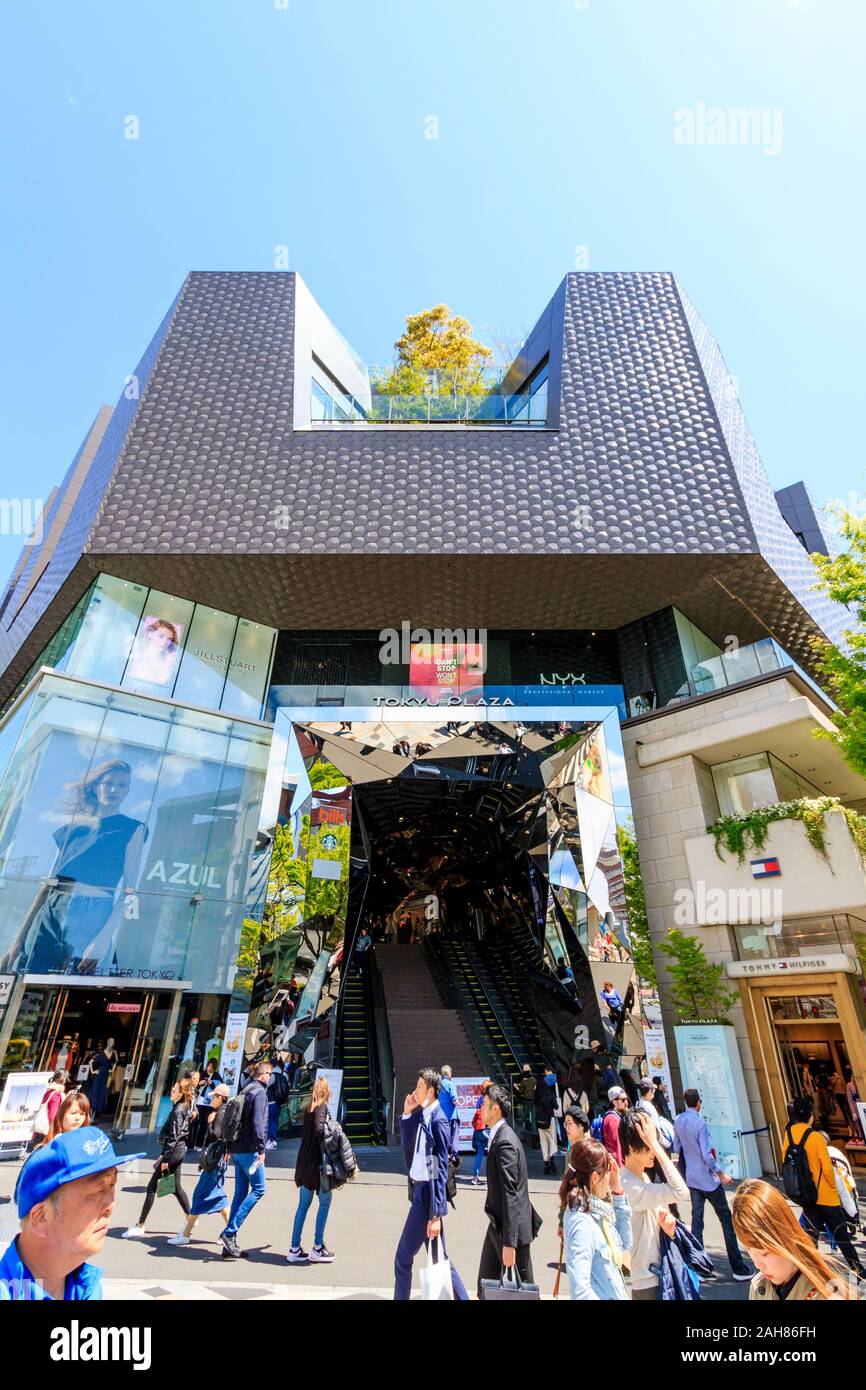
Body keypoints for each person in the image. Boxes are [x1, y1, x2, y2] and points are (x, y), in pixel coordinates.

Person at [0, 1126, 144, 1300]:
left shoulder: (85, 1284)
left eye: (112, 1185)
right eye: (97, 1191)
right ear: (42, 1217)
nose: (111, 1204)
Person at [395, 1069, 468, 1300]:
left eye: (420, 1087)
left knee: (403, 1258)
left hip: (427, 1195)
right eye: (416, 1086)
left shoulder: (438, 1121)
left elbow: (438, 1170)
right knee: (441, 1259)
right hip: (419, 1190)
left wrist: (435, 1214)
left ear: (432, 1091)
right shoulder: (422, 1115)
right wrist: (407, 1113)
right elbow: (409, 1151)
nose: (415, 1091)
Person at [733, 1179, 860, 1300]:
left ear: (785, 1237)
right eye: (748, 1250)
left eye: (764, 1253)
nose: (758, 1264)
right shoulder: (758, 1286)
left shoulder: (826, 1294)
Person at [781, 1095, 866, 1277]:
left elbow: (785, 1161)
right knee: (841, 1235)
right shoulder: (816, 1138)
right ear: (810, 1116)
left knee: (811, 1236)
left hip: (805, 1195)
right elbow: (827, 1169)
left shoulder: (787, 1135)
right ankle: (857, 1270)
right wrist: (835, 1191)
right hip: (825, 1195)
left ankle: (809, 1272)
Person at [673, 1088, 753, 1282]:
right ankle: (737, 1266)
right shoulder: (699, 1123)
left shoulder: (679, 1120)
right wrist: (721, 1173)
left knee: (697, 1222)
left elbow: (676, 1147)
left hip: (692, 1178)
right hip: (708, 1180)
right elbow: (706, 1154)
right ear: (698, 1102)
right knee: (726, 1219)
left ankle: (699, 1267)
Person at [619, 1109, 690, 1300]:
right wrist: (659, 1150)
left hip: (656, 1276)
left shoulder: (639, 1177)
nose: (653, 1150)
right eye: (648, 1145)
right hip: (648, 1283)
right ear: (632, 1148)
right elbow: (680, 1191)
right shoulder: (629, 1185)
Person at [478, 1083, 541, 1294]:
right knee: (486, 1287)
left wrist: (510, 1243)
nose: (481, 1108)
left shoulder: (505, 1142)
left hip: (511, 1231)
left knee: (522, 1291)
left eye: (484, 1104)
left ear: (495, 1109)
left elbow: (510, 1194)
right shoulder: (500, 1136)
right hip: (498, 1224)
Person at [561, 1137, 632, 1300]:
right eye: (607, 1172)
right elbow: (580, 1291)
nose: (610, 1176)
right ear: (594, 1178)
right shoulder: (582, 1222)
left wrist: (618, 1192)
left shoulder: (596, 1212)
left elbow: (624, 1245)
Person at [122, 1080, 192, 1239]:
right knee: (175, 1187)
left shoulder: (178, 1110)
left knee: (151, 1188)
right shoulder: (183, 1108)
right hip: (178, 1151)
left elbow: (174, 1136)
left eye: (174, 1090)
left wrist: (165, 1158)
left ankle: (140, 1225)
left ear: (181, 1093)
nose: (171, 1092)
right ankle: (190, 1217)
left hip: (173, 1152)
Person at [168, 1084, 232, 1246]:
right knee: (220, 1200)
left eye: (214, 1096)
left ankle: (186, 1234)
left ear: (220, 1098)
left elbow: (214, 1136)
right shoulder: (226, 1112)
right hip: (217, 1161)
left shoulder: (219, 1114)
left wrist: (210, 1123)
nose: (211, 1099)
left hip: (214, 1162)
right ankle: (231, 1231)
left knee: (199, 1196)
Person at [220, 1059, 271, 1259]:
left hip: (237, 1148)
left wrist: (230, 1147)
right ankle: (230, 1232)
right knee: (259, 1188)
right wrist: (261, 1149)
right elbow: (259, 1123)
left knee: (239, 1193)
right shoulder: (259, 1093)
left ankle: (229, 1245)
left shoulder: (245, 1089)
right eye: (269, 1073)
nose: (270, 1077)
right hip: (250, 1150)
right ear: (263, 1074)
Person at [287, 1076, 336, 1264]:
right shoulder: (322, 1107)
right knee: (325, 1202)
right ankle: (318, 1246)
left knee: (303, 1206)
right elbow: (318, 1129)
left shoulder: (309, 1108)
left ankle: (294, 1248)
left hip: (304, 1164)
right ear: (326, 1092)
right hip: (318, 1167)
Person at [30, 1071, 67, 1150]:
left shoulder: (49, 1091)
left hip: (41, 1124)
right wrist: (54, 1127)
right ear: (63, 1081)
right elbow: (52, 1114)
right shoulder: (57, 1094)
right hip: (47, 1127)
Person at [535, 1064, 561, 1175]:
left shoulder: (540, 1087)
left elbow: (535, 1099)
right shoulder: (556, 1082)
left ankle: (546, 1164)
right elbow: (556, 1106)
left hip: (540, 1119)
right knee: (552, 1139)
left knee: (543, 1141)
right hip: (550, 1118)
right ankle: (552, 1159)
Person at [601, 1087, 629, 1164]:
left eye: (626, 1099)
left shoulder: (617, 1116)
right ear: (614, 1102)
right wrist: (621, 1168)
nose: (626, 1102)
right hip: (619, 1166)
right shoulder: (613, 1120)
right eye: (623, 1100)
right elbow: (616, 1147)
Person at [471, 1086, 490, 1186]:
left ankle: (475, 1177)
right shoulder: (489, 1100)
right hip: (487, 1131)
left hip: (478, 1131)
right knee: (493, 1155)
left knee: (479, 1155)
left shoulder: (479, 1099)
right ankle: (493, 1177)